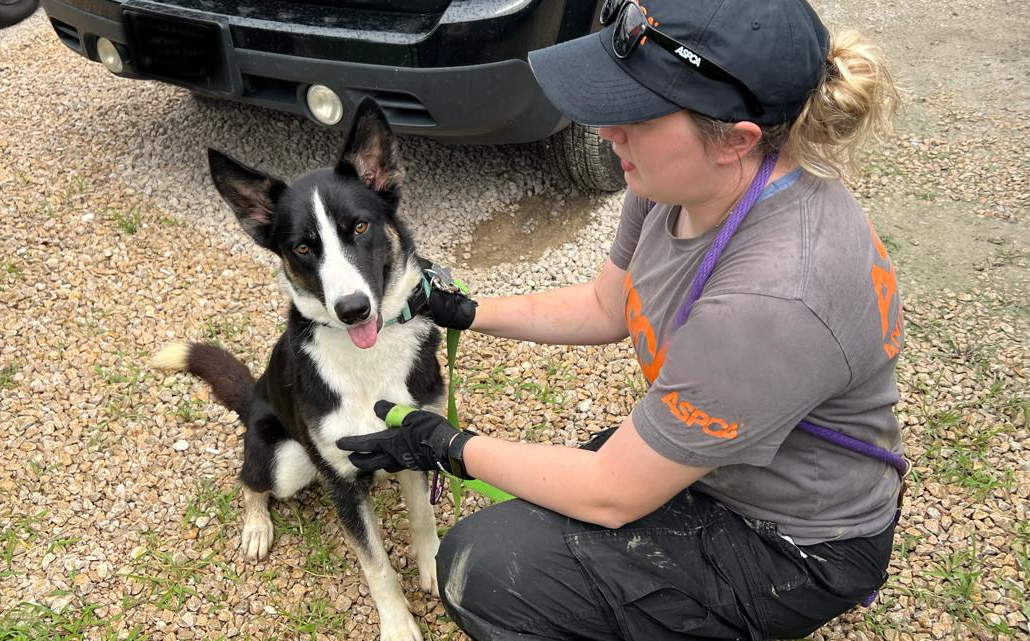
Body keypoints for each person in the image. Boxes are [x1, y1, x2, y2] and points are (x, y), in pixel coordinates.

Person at [336, 0, 905, 638]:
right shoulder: (676, 186)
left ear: (735, 139)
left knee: (487, 566)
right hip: (726, 467)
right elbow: (611, 306)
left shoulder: (774, 297)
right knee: (539, 509)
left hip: (793, 538)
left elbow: (612, 491)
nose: (607, 131)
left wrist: (446, 446)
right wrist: (466, 311)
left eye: (636, 112)